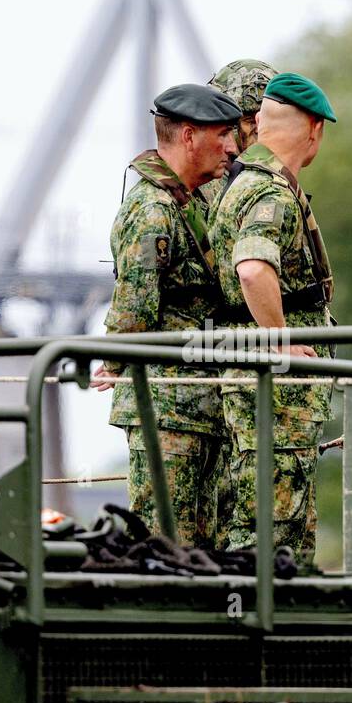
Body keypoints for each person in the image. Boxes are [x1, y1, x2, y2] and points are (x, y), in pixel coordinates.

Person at [93, 83, 240, 551]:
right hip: (166, 412)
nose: (233, 147)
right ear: (190, 136)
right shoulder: (151, 210)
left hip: (201, 403)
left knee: (202, 548)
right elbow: (134, 312)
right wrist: (113, 363)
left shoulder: (192, 201)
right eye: (224, 135)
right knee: (163, 544)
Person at [209, 72, 336, 563]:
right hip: (276, 381)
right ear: (314, 130)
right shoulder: (271, 193)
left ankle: (278, 607)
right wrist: (280, 339)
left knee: (272, 507)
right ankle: (262, 615)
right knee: (272, 514)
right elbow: (253, 268)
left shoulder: (243, 182)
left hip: (255, 372)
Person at [200, 59, 276, 210]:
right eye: (250, 120)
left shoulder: (273, 176)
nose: (260, 128)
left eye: (267, 117)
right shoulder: (205, 188)